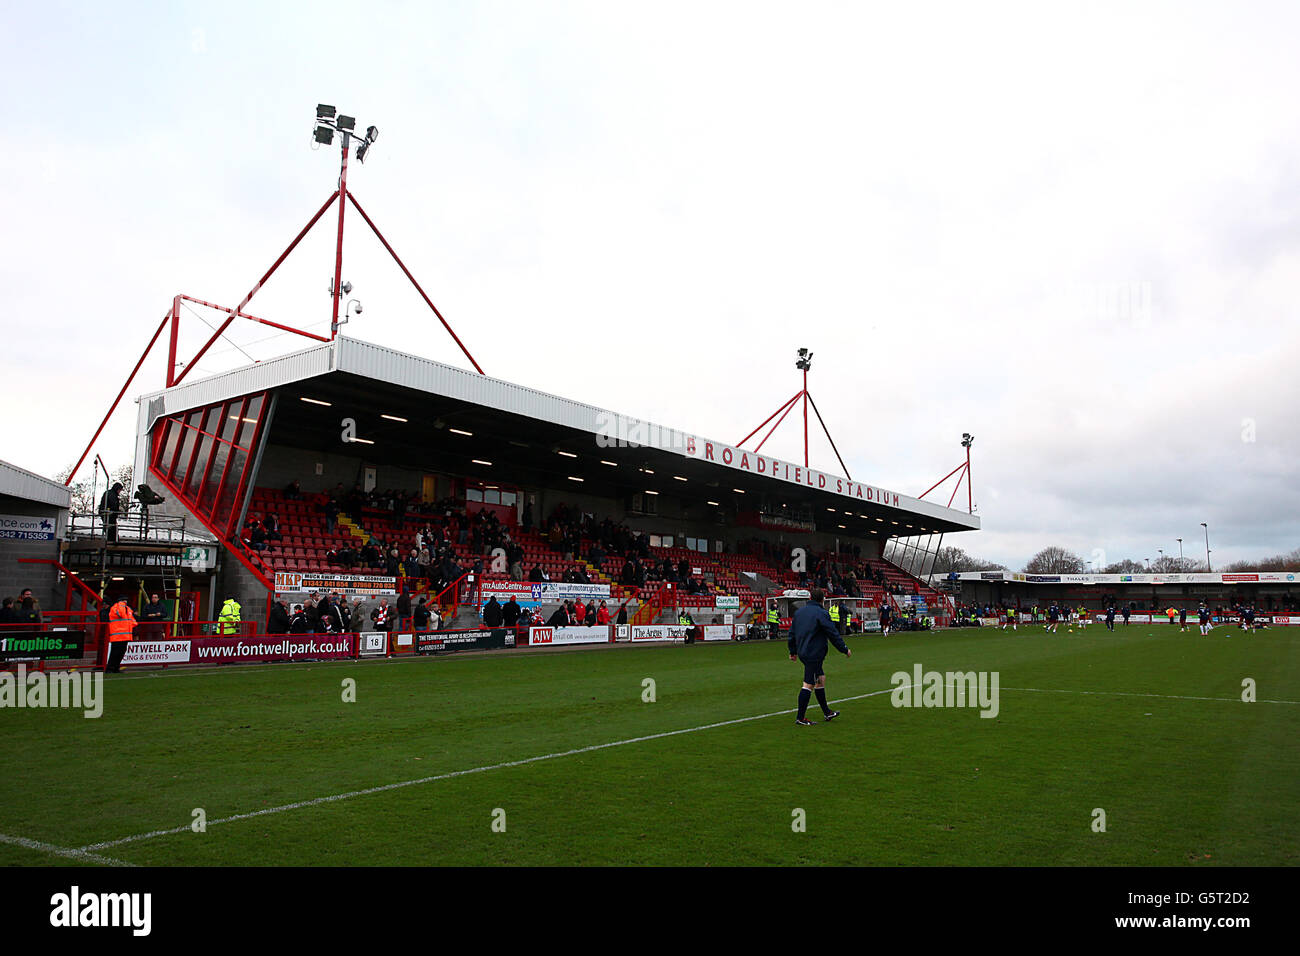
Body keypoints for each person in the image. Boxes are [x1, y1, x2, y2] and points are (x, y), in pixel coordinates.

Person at [787, 588, 851, 726]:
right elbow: (832, 633)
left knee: (820, 679)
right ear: (822, 599)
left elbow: (791, 633)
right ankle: (800, 717)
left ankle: (827, 712)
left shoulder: (799, 612)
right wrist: (844, 649)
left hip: (804, 651)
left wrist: (793, 651)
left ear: (810, 597)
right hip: (814, 653)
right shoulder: (821, 613)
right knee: (808, 683)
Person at [104, 595, 136, 673]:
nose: (125, 602)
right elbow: (121, 614)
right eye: (123, 600)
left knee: (121, 653)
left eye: (126, 600)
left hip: (125, 635)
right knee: (115, 653)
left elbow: (133, 621)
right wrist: (121, 605)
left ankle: (116, 668)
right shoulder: (115, 608)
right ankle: (110, 669)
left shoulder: (128, 609)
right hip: (117, 635)